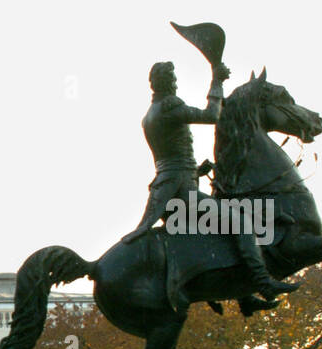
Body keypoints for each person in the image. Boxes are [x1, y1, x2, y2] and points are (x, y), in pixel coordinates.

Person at [117, 59, 299, 301]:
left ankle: (244, 298)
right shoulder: (170, 107)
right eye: (173, 79)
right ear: (167, 83)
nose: (175, 83)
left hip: (172, 185)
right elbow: (212, 115)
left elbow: (172, 158)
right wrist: (217, 80)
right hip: (181, 193)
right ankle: (263, 282)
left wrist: (197, 171)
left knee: (224, 222)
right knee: (240, 221)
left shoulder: (151, 114)